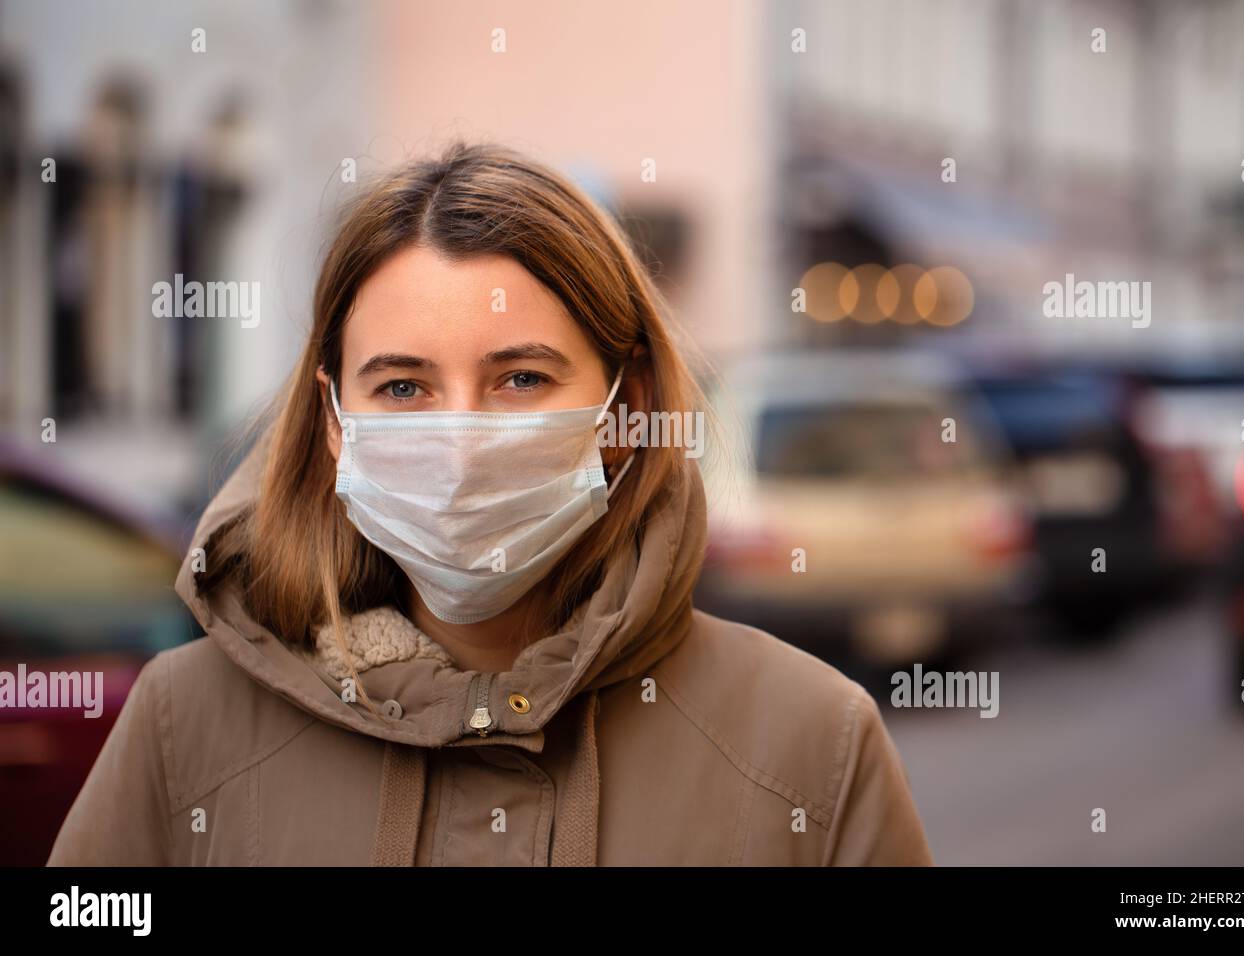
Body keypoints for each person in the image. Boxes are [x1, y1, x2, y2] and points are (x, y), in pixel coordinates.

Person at [46, 141, 933, 866]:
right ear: (333, 421)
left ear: (625, 413)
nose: (461, 439)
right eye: (402, 387)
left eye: (519, 378)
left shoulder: (810, 742)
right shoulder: (180, 727)